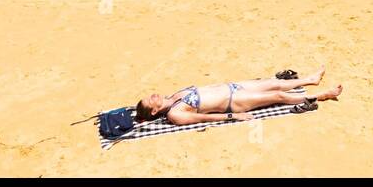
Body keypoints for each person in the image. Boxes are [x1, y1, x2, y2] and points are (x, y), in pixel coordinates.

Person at [134, 67, 342, 125]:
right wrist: (235, 117)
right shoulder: (175, 114)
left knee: (273, 83)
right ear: (154, 110)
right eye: (151, 100)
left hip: (232, 87)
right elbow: (205, 117)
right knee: (278, 95)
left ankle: (310, 80)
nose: (153, 95)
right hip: (234, 103)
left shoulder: (174, 96)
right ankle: (322, 95)